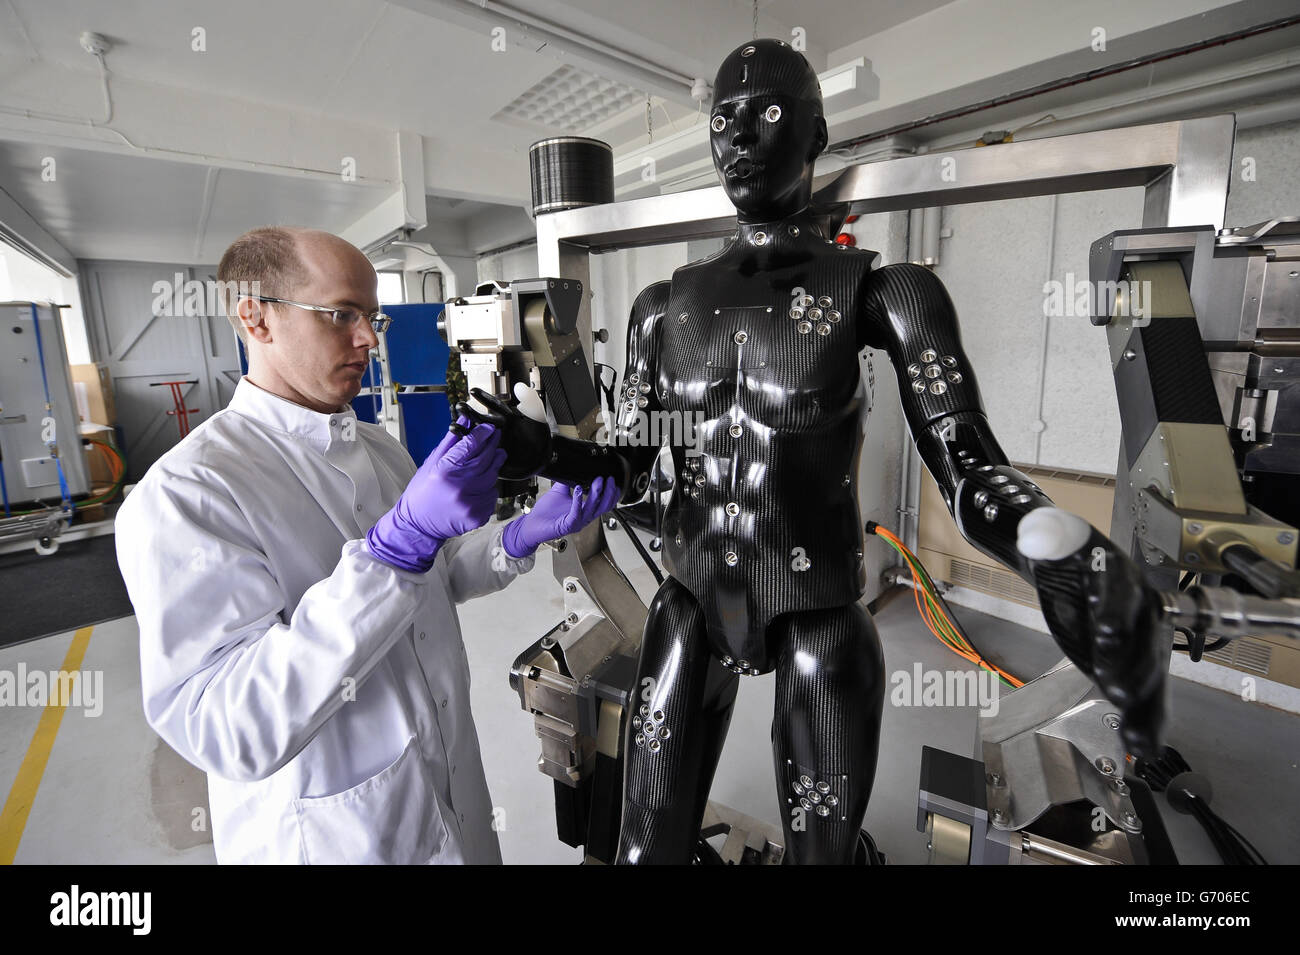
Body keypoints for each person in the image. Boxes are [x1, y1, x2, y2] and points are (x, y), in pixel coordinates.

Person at [115, 226, 618, 863]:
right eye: (341, 314)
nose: (369, 338)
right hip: (335, 834)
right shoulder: (188, 491)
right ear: (254, 316)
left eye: (372, 315)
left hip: (451, 796)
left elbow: (433, 578)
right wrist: (393, 550)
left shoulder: (376, 447)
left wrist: (517, 535)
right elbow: (228, 727)